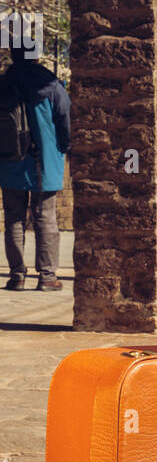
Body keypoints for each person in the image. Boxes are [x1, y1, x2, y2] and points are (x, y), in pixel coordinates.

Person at [0, 42, 70, 290]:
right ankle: (48, 277)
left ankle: (17, 275)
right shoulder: (50, 84)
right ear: (36, 56)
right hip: (44, 161)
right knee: (45, 217)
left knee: (13, 219)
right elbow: (64, 120)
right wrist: (65, 148)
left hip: (8, 160)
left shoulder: (3, 83)